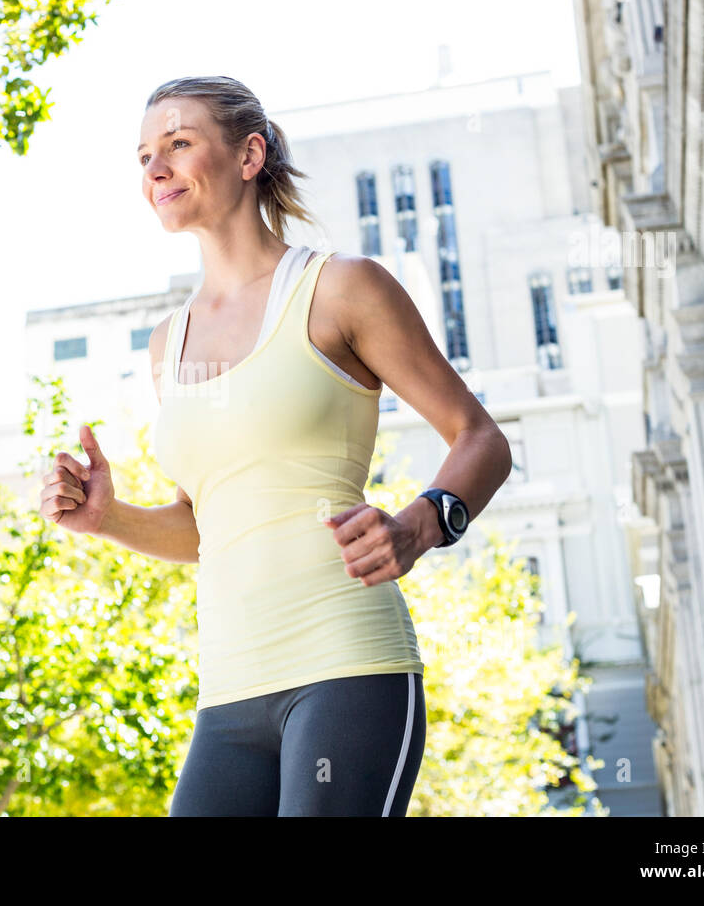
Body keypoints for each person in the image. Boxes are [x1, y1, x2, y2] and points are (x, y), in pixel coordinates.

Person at [37, 75, 512, 816]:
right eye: (142, 156)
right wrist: (108, 516)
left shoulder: (340, 290)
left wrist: (418, 527)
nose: (154, 170)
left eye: (178, 145)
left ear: (249, 153)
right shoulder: (171, 345)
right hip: (228, 695)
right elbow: (209, 525)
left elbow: (479, 438)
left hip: (348, 666)